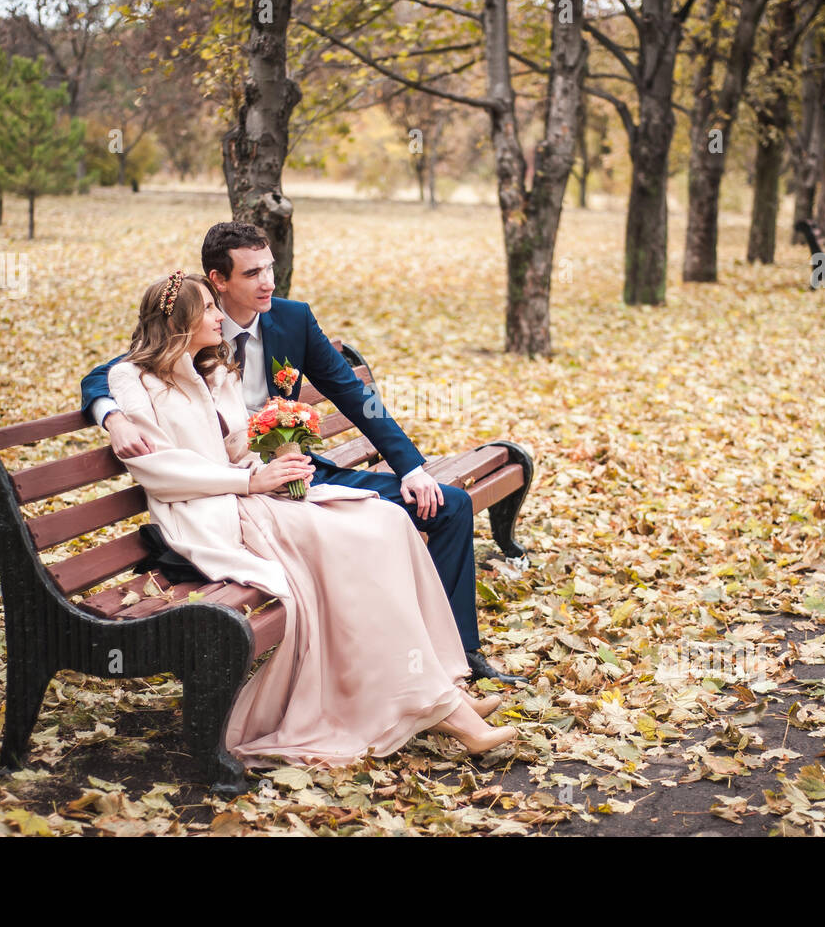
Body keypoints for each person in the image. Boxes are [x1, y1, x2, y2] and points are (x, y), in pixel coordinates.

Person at [81, 222, 525, 685]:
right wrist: (112, 416)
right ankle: (381, 667)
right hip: (238, 493)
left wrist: (411, 467)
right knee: (368, 535)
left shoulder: (292, 320)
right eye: (253, 273)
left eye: (269, 268)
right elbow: (114, 371)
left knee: (447, 505)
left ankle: (457, 653)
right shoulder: (192, 328)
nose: (268, 282)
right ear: (218, 279)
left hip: (296, 474)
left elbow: (356, 396)